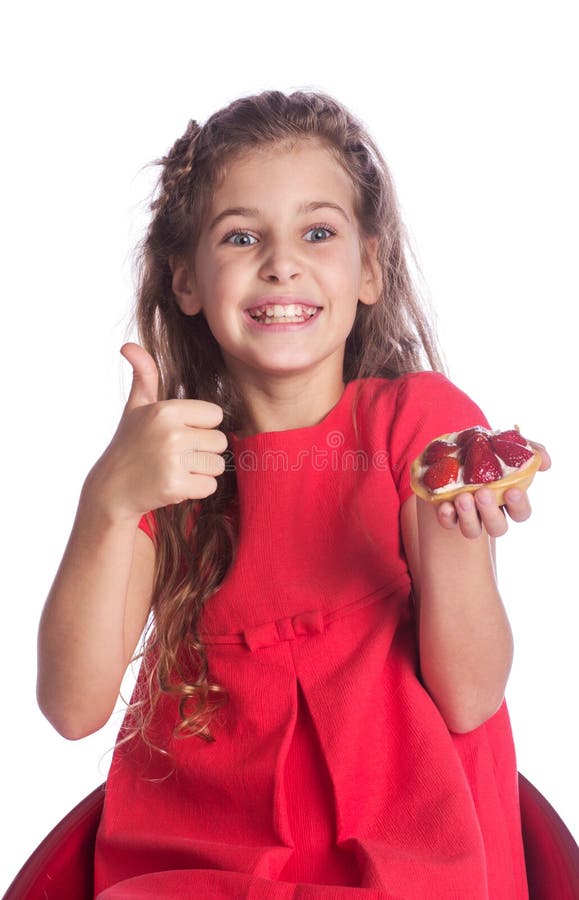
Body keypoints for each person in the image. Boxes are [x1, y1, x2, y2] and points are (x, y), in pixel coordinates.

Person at [37, 89, 550, 899]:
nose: (282, 262)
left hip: (405, 861)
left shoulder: (419, 426)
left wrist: (453, 532)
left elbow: (469, 696)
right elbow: (72, 707)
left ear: (369, 268)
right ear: (186, 280)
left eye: (318, 232)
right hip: (197, 861)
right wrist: (109, 499)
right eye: (241, 236)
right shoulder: (170, 461)